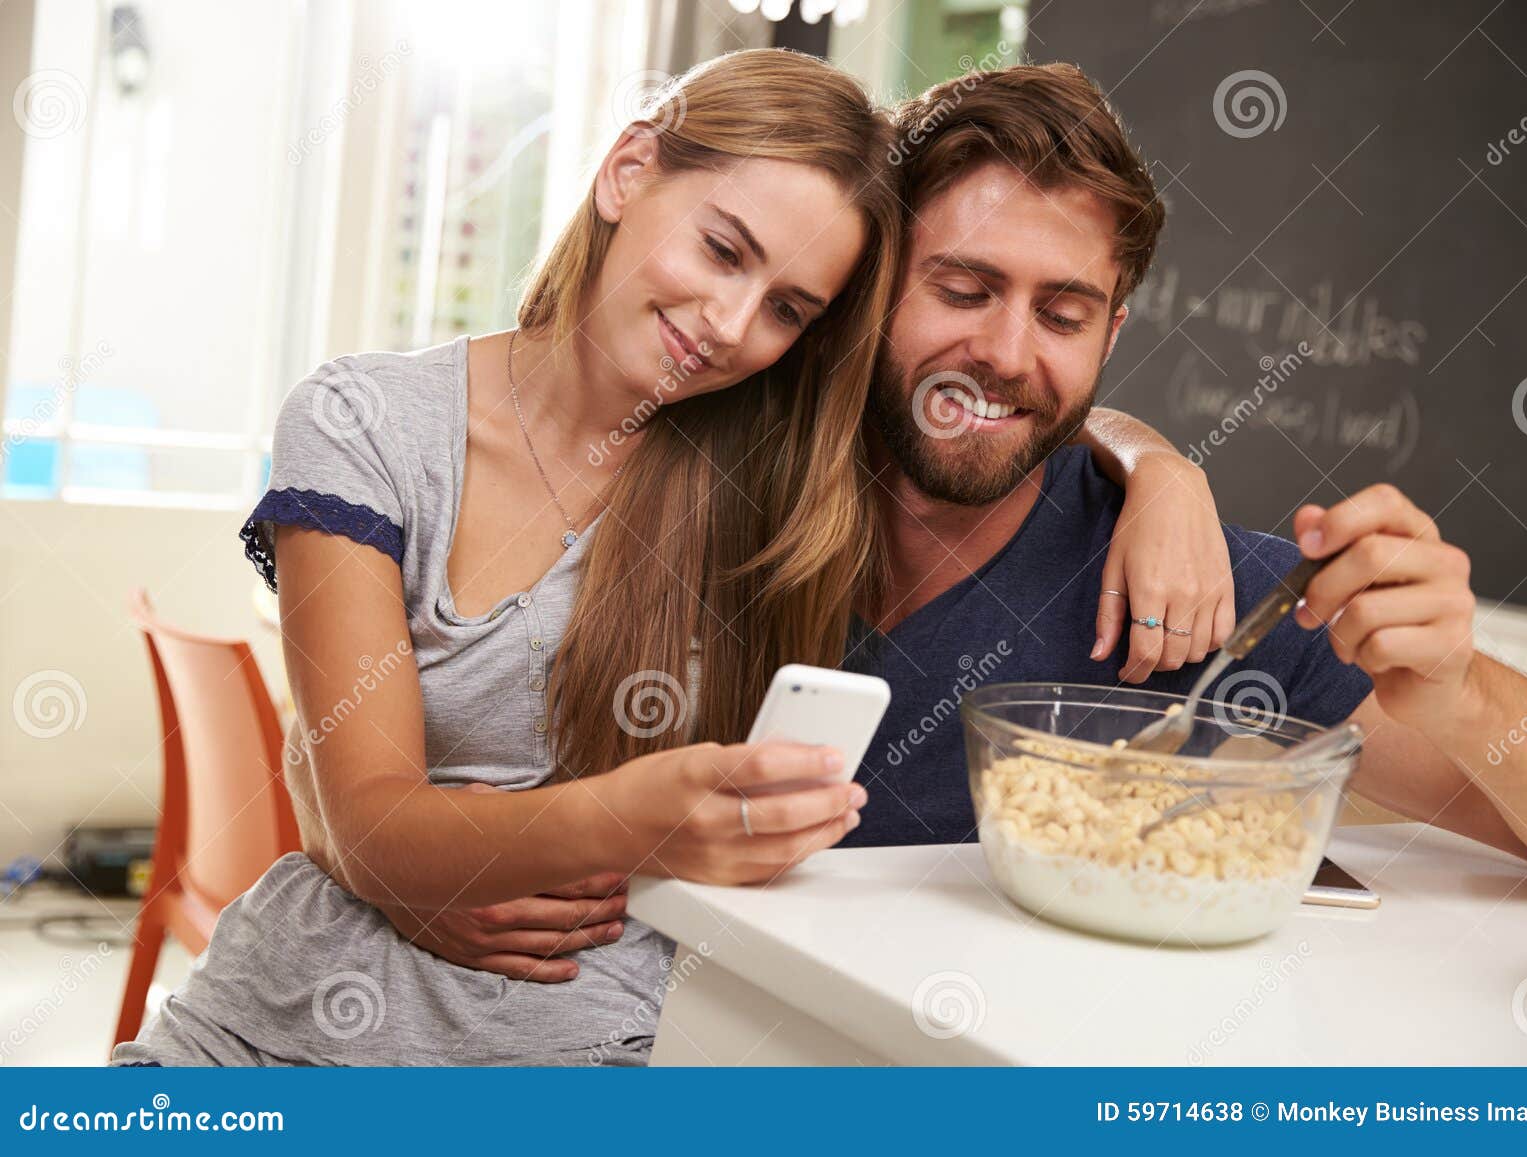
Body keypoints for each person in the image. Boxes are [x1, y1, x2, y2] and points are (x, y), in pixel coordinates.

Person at [113, 50, 1235, 1068]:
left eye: (788, 307)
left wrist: (1160, 468)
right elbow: (361, 812)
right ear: (627, 171)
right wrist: (518, 836)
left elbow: (996, 400)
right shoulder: (366, 425)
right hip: (270, 1031)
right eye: (720, 248)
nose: (731, 324)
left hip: (583, 1053)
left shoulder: (772, 465)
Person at [838, 62, 1527, 887]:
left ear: (1110, 334)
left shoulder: (1195, 586)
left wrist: (1465, 694)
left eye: (1062, 316)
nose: (1008, 354)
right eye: (962, 291)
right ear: (869, 285)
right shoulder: (753, 489)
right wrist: (1151, 453)